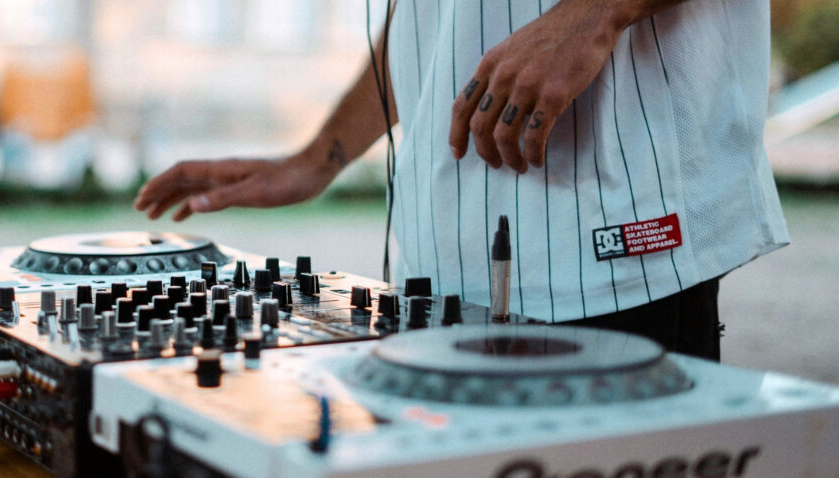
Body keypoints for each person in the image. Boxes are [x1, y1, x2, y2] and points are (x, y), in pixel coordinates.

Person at [134, 0, 789, 361]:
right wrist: (317, 157)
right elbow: (432, 27)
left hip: (620, 244)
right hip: (439, 269)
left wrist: (595, 11)